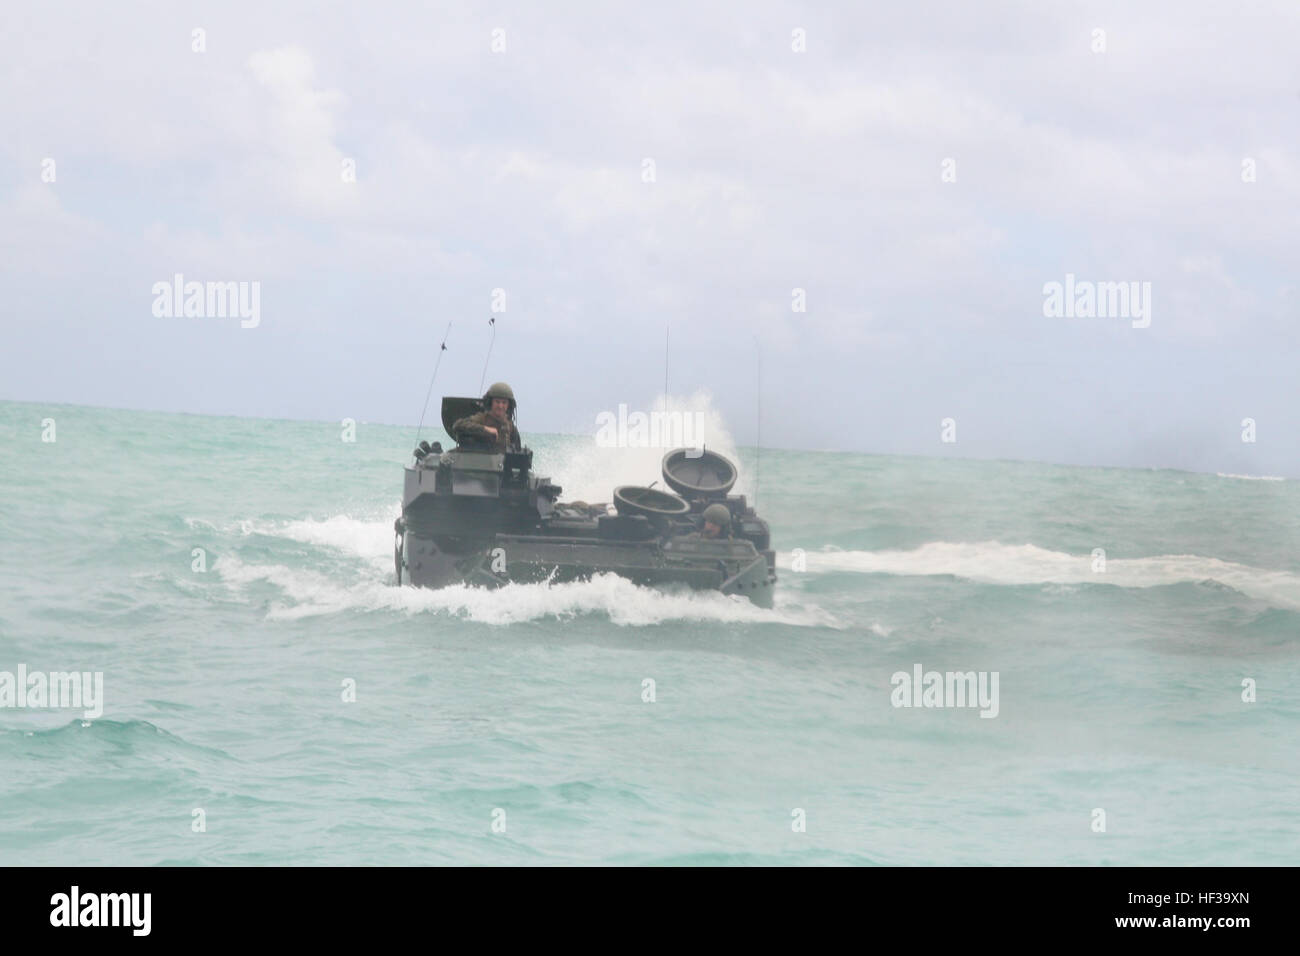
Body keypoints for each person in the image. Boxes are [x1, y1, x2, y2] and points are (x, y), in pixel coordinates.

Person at [453, 382, 522, 453]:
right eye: (497, 402)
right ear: (490, 402)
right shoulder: (482, 418)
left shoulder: (510, 426)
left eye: (504, 403)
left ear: (508, 405)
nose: (500, 406)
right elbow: (458, 425)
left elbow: (517, 450)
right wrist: (485, 429)